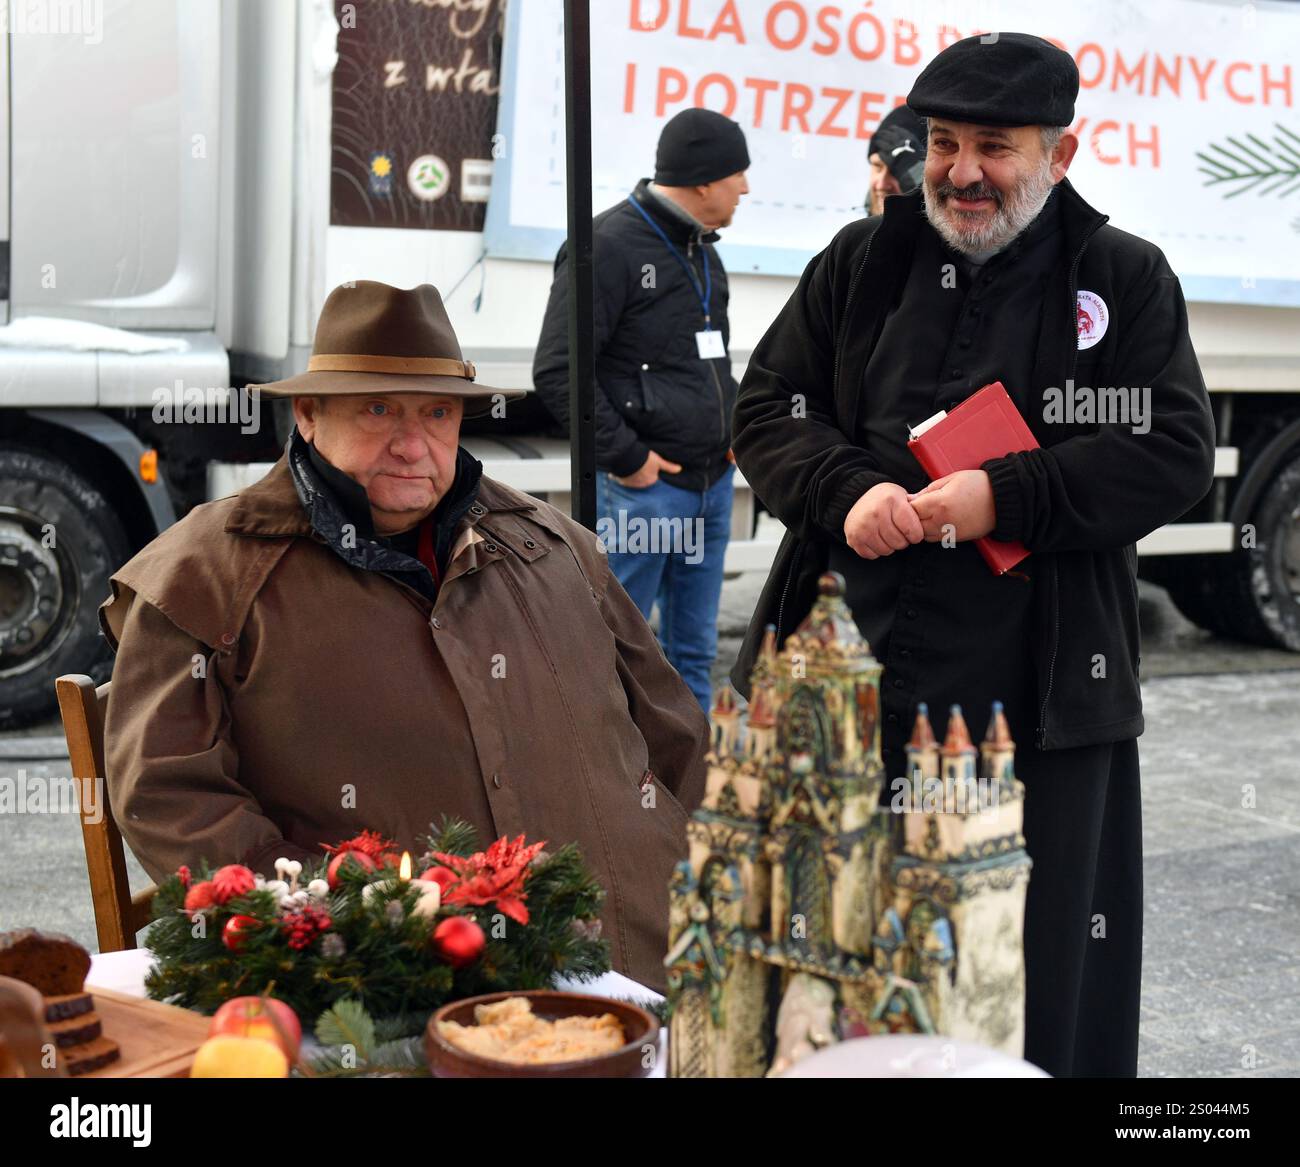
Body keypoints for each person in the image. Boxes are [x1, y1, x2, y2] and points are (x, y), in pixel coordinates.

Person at [731, 33, 1215, 1076]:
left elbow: (1172, 450)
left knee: (1018, 989)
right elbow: (766, 406)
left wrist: (1005, 494)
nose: (958, 172)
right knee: (824, 977)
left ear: (1059, 153)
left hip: (1030, 707)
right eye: (942, 142)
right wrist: (845, 489)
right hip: (844, 697)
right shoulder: (862, 261)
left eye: (992, 147)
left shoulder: (1121, 279)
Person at [99, 281, 709, 992]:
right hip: (410, 996)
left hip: (654, 966)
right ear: (309, 414)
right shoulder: (205, 578)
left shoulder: (555, 544)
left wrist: (724, 889)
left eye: (437, 412)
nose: (413, 443)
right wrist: (336, 930)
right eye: (379, 408)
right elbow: (172, 802)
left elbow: (676, 734)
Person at [533, 107, 749, 711]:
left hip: (709, 486)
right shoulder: (606, 245)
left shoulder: (703, 251)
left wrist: (727, 435)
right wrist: (630, 460)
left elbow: (710, 364)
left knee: (694, 653)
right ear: (705, 179)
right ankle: (613, 793)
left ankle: (692, 788)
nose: (747, 189)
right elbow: (559, 371)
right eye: (739, 175)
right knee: (617, 652)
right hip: (646, 491)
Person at [866, 103, 927, 214]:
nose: (881, 185)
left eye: (897, 172)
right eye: (878, 167)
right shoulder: (856, 229)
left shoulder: (948, 229)